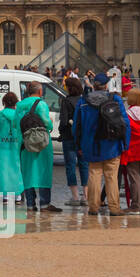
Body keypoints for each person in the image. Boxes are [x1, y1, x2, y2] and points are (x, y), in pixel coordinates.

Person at [74, 80, 130, 216]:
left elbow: (76, 126)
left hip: (91, 144)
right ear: (106, 85)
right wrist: (125, 144)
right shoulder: (115, 99)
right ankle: (114, 207)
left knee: (93, 175)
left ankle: (93, 207)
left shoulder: (83, 101)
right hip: (112, 144)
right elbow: (125, 122)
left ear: (94, 85)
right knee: (111, 177)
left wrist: (78, 145)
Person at [16, 81, 59, 212]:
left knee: (27, 172)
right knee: (44, 172)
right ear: (40, 92)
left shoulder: (19, 105)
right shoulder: (41, 104)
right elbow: (47, 123)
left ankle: (30, 204)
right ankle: (45, 203)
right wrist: (51, 124)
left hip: (24, 142)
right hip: (41, 143)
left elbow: (15, 124)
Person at [58, 76, 85, 206]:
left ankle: (75, 197)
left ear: (69, 88)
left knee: (70, 166)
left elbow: (63, 121)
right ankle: (86, 196)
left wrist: (60, 131)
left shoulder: (66, 101)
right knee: (84, 165)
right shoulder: (84, 100)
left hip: (69, 137)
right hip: (83, 137)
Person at [0, 91, 24, 200]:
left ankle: (3, 195)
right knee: (16, 169)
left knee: (1, 171)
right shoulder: (19, 116)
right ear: (15, 102)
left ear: (4, 102)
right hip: (15, 146)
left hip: (1, 148)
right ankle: (17, 195)